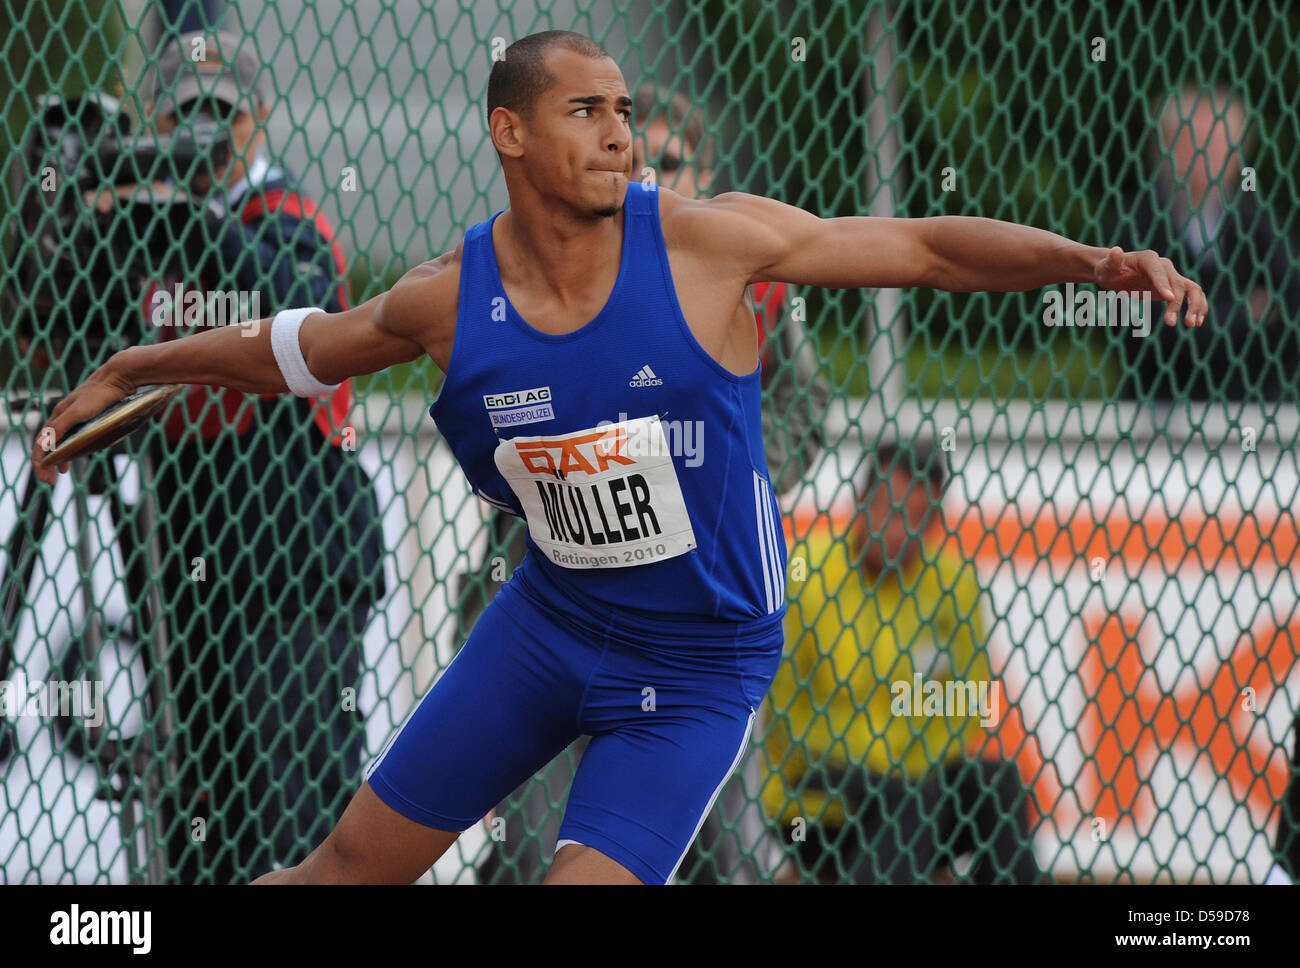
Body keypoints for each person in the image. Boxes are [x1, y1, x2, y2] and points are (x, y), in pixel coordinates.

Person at [32, 29, 1207, 885]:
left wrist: (1089, 260)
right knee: (340, 867)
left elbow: (922, 249)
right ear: (509, 132)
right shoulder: (447, 300)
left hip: (698, 664)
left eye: (623, 109)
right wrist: (140, 365)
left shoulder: (704, 244)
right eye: (584, 110)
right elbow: (289, 350)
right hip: (547, 625)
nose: (618, 131)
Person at [471, 81, 829, 884]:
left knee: (725, 839)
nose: (658, 177)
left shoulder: (746, 272)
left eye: (676, 161)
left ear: (705, 174)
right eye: (640, 161)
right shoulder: (549, 265)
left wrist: (721, 477)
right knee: (538, 842)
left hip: (703, 606)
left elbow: (809, 407)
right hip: (563, 597)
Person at [134, 30, 387, 883]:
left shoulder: (287, 219)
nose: (204, 132)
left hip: (294, 567)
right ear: (152, 119)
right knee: (206, 816)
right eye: (184, 113)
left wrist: (191, 214)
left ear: (261, 119)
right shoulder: (147, 221)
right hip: (192, 568)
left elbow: (302, 315)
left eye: (223, 113)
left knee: (296, 820)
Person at [761, 442, 1036, 883]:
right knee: (903, 799)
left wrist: (912, 771)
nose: (897, 530)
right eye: (889, 510)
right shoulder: (807, 574)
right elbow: (781, 714)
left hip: (920, 786)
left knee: (998, 783)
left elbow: (966, 706)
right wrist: (876, 769)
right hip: (820, 796)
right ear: (862, 500)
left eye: (916, 518)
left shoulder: (955, 586)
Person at [1114, 83, 1299, 402]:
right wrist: (1247, 311)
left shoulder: (1264, 227)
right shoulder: (1133, 229)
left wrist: (1188, 315)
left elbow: (1289, 313)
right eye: (1189, 142)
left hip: (1255, 411)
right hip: (1156, 409)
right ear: (1161, 147)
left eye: (1214, 142)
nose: (1202, 156)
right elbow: (1140, 331)